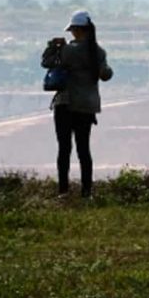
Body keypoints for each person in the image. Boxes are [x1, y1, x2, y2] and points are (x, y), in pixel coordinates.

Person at [41, 10, 114, 198]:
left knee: (64, 148)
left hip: (65, 103)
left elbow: (46, 62)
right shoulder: (98, 52)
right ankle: (86, 192)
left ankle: (63, 191)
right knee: (84, 149)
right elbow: (106, 74)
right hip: (86, 105)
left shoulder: (67, 51)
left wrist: (53, 46)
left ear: (75, 30)